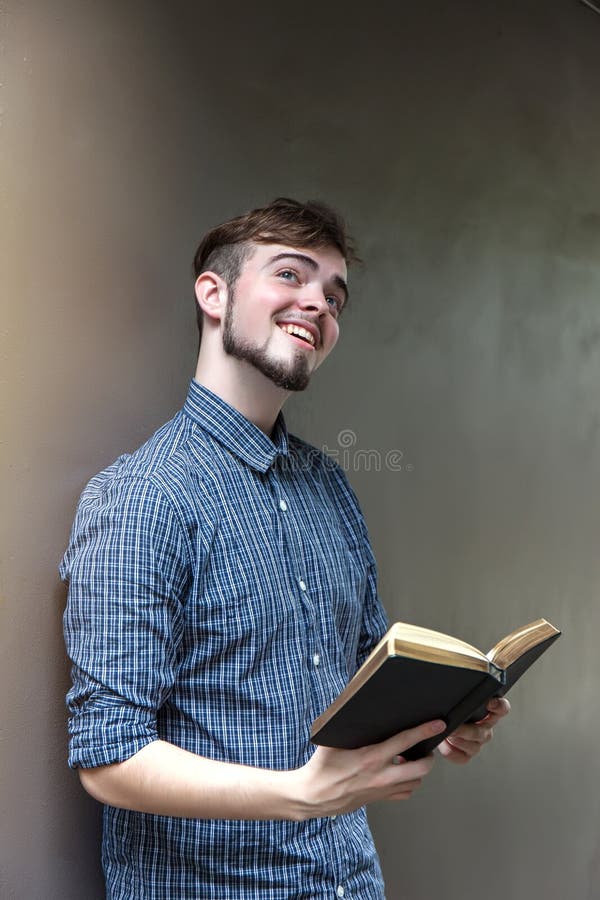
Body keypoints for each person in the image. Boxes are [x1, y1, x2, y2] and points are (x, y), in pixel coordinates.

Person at [61, 197, 510, 899]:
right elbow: (108, 759)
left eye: (335, 295)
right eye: (292, 276)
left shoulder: (329, 486)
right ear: (214, 293)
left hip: (350, 884)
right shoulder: (143, 496)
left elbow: (365, 674)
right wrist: (300, 793)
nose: (320, 304)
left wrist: (442, 721)